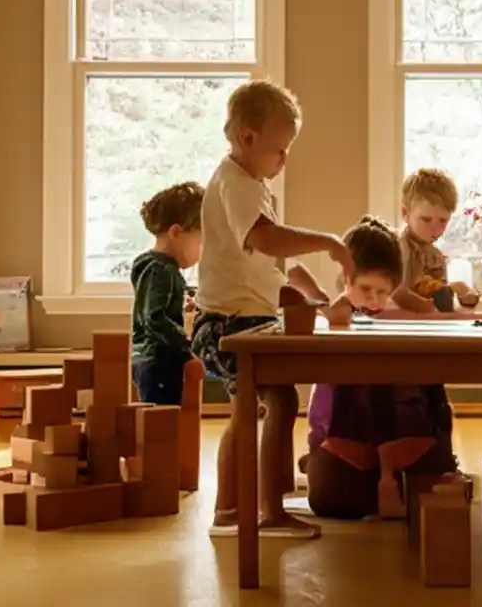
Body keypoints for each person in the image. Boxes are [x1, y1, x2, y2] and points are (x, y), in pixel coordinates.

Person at [191, 79, 356, 539]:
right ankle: (260, 509)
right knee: (267, 402)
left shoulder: (252, 186)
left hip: (246, 316)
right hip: (227, 323)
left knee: (263, 404)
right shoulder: (237, 184)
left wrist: (317, 300)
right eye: (280, 151)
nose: (284, 161)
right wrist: (330, 241)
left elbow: (274, 266)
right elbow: (267, 239)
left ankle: (243, 505)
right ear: (248, 138)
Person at [303, 216, 458, 519]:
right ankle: (372, 477)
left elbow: (436, 398)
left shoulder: (404, 317)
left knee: (431, 488)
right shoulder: (337, 319)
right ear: (347, 279)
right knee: (329, 499)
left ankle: (387, 476)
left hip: (408, 432)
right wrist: (318, 445)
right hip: (352, 437)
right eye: (366, 289)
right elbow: (322, 405)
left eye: (383, 292)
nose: (374, 300)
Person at [129, 182, 205, 405]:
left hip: (153, 361)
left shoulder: (157, 268)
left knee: (162, 420)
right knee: (162, 422)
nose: (202, 250)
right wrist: (186, 344)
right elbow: (155, 318)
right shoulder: (160, 269)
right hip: (158, 363)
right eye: (200, 240)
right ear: (176, 232)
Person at [392, 168, 458, 313]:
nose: (435, 229)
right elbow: (394, 291)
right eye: (426, 220)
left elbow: (442, 301)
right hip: (394, 325)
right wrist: (424, 305)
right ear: (405, 213)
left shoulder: (437, 257)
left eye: (443, 220)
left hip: (425, 325)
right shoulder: (395, 247)